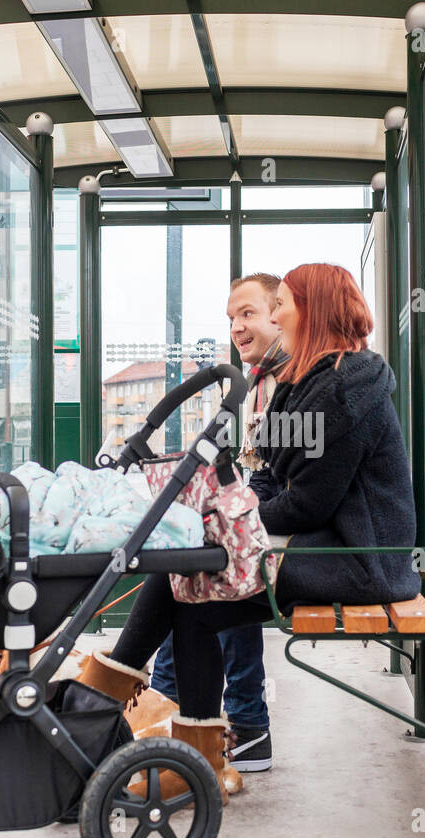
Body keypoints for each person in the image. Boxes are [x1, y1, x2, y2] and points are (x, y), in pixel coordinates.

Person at [76, 263, 420, 800]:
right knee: (187, 592)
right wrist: (223, 510)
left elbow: (307, 504)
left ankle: (96, 709)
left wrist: (225, 522)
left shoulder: (345, 390)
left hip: (362, 559)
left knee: (191, 578)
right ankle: (195, 758)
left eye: (282, 304)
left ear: (314, 311)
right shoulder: (298, 384)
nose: (277, 315)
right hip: (322, 545)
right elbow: (267, 476)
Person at [150, 273, 288, 773]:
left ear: (280, 313)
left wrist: (231, 520)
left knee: (210, 568)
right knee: (199, 562)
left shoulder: (288, 383)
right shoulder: (259, 382)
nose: (237, 326)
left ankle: (164, 709)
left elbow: (291, 485)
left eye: (248, 313)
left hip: (308, 539)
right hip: (279, 522)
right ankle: (241, 727)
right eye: (232, 317)